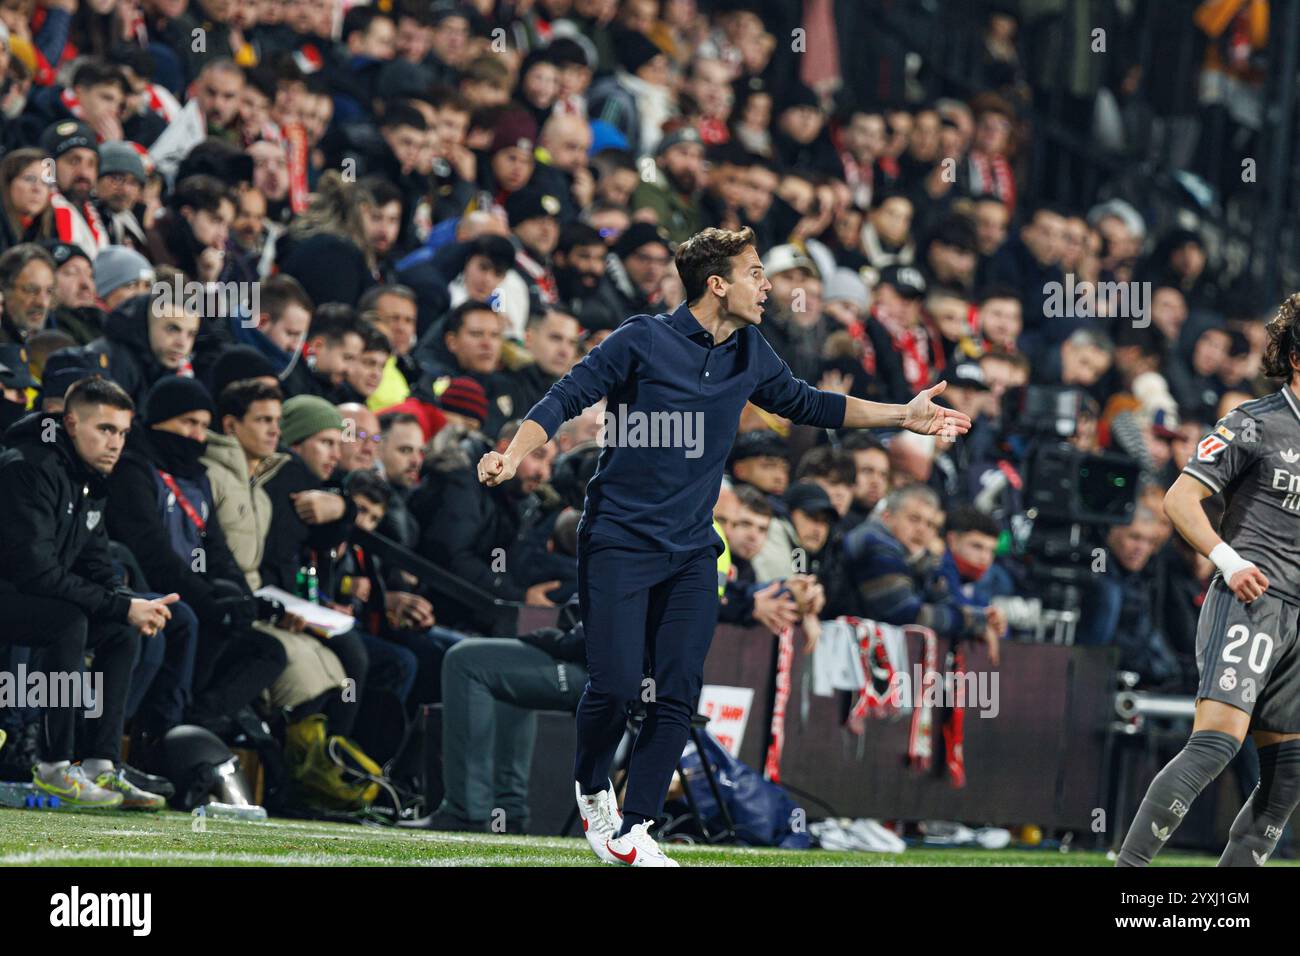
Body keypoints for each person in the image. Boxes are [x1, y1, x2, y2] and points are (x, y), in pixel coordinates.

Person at [477, 226, 971, 866]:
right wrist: (513, 454)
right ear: (719, 284)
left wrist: (900, 415)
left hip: (691, 549)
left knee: (679, 689)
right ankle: (592, 784)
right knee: (619, 684)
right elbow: (565, 395)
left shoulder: (750, 350)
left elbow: (808, 403)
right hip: (619, 539)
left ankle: (636, 828)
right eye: (756, 273)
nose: (768, 287)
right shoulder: (642, 338)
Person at [1117, 293, 1300, 867]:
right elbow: (1179, 497)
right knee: (1216, 745)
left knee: (1287, 778)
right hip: (1253, 601)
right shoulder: (1255, 422)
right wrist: (1229, 560)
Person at [0, 375, 174, 809]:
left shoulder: (89, 477)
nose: (116, 443)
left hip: (25, 593)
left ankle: (100, 765)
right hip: (12, 589)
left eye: (122, 432)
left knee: (121, 630)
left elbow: (95, 564)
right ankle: (53, 768)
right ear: (72, 423)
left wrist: (132, 604)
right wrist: (120, 604)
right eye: (106, 429)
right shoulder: (28, 466)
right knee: (66, 622)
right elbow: (34, 572)